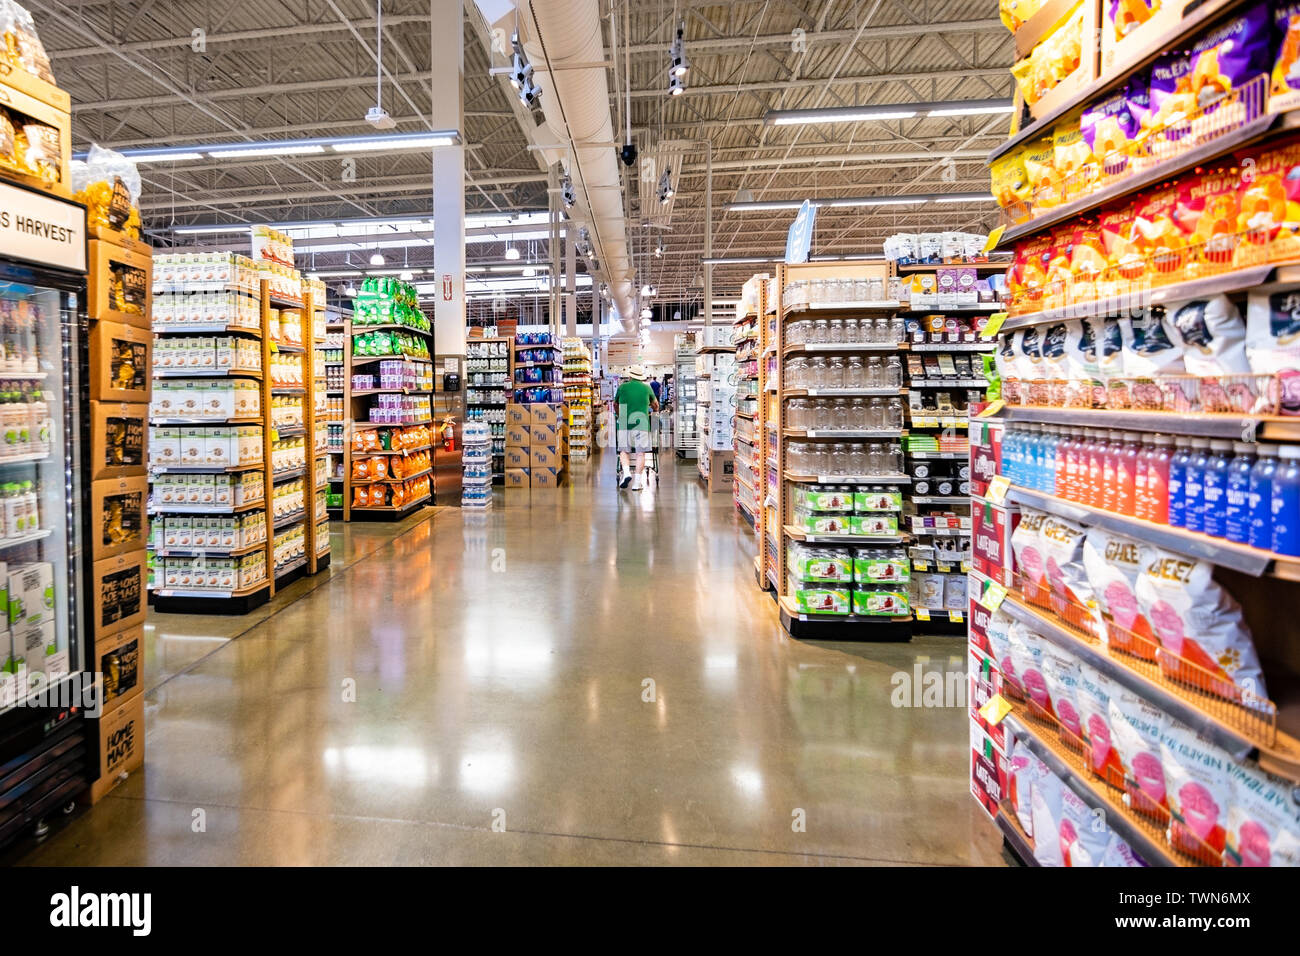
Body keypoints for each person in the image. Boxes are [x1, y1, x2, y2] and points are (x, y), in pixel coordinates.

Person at [615, 365, 658, 490]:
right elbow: (655, 405)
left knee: (624, 451)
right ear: (641, 377)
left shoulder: (622, 387)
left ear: (630, 376)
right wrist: (653, 409)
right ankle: (637, 483)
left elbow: (615, 404)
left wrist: (619, 415)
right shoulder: (646, 387)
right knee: (640, 453)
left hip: (624, 423)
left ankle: (627, 472)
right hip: (642, 423)